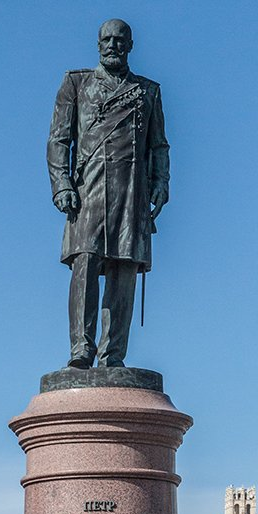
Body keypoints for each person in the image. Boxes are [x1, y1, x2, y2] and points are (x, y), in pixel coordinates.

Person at [47, 19, 169, 369]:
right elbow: (59, 140)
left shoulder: (148, 91)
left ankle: (113, 353)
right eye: (107, 40)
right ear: (98, 44)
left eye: (120, 40)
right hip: (89, 191)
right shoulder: (77, 84)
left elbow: (158, 145)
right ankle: (81, 350)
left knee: (123, 270)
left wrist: (162, 182)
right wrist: (62, 185)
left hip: (131, 191)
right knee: (85, 263)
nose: (113, 45)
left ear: (130, 46)